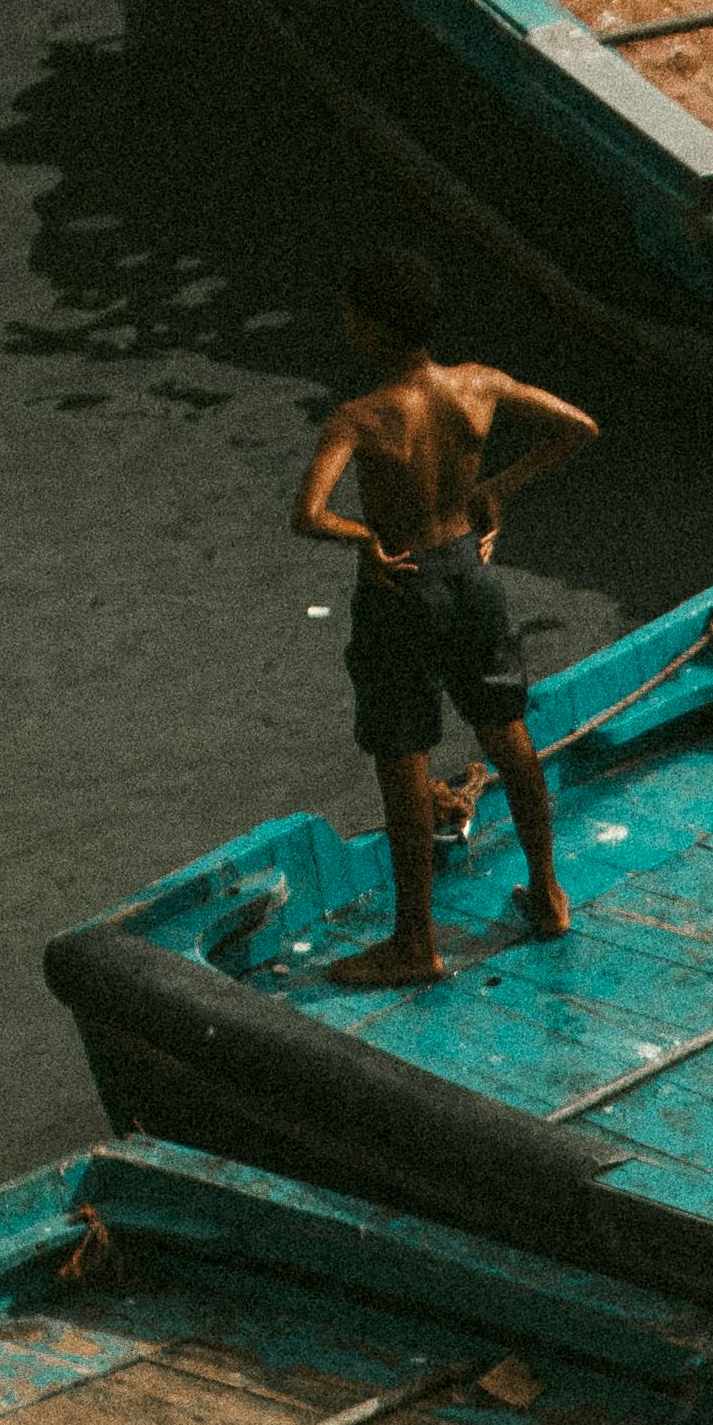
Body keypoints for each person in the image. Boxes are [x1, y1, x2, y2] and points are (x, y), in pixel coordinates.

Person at [288, 247, 596, 984]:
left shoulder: (359, 417)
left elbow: (308, 514)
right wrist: (499, 489)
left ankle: (416, 942)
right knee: (506, 733)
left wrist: (365, 537)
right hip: (470, 571)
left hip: (401, 586)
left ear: (368, 328)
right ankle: (550, 894)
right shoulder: (478, 386)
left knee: (403, 759)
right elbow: (579, 427)